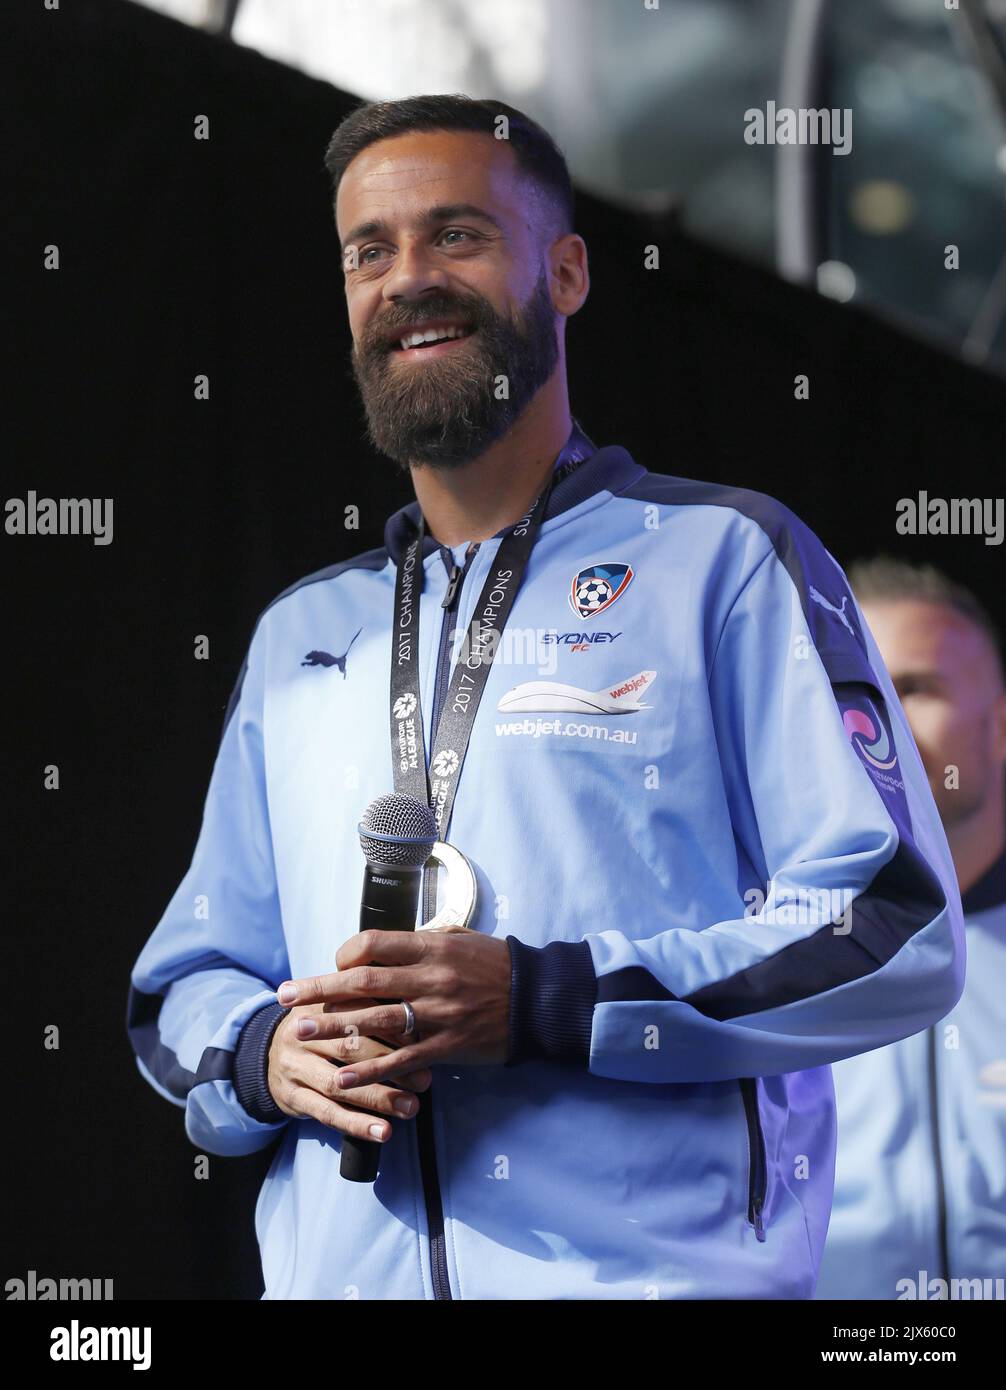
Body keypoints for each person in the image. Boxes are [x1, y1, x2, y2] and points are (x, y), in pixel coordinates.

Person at [126, 94, 964, 1300]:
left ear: (565, 272)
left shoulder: (725, 559)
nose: (408, 278)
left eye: (457, 234)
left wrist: (547, 998)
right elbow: (183, 983)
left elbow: (891, 924)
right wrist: (265, 1051)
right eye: (369, 251)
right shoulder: (301, 636)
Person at [815, 557, 1006, 1301]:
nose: (877, 722)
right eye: (853, 692)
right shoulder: (747, 949)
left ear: (1000, 726)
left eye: (915, 689)